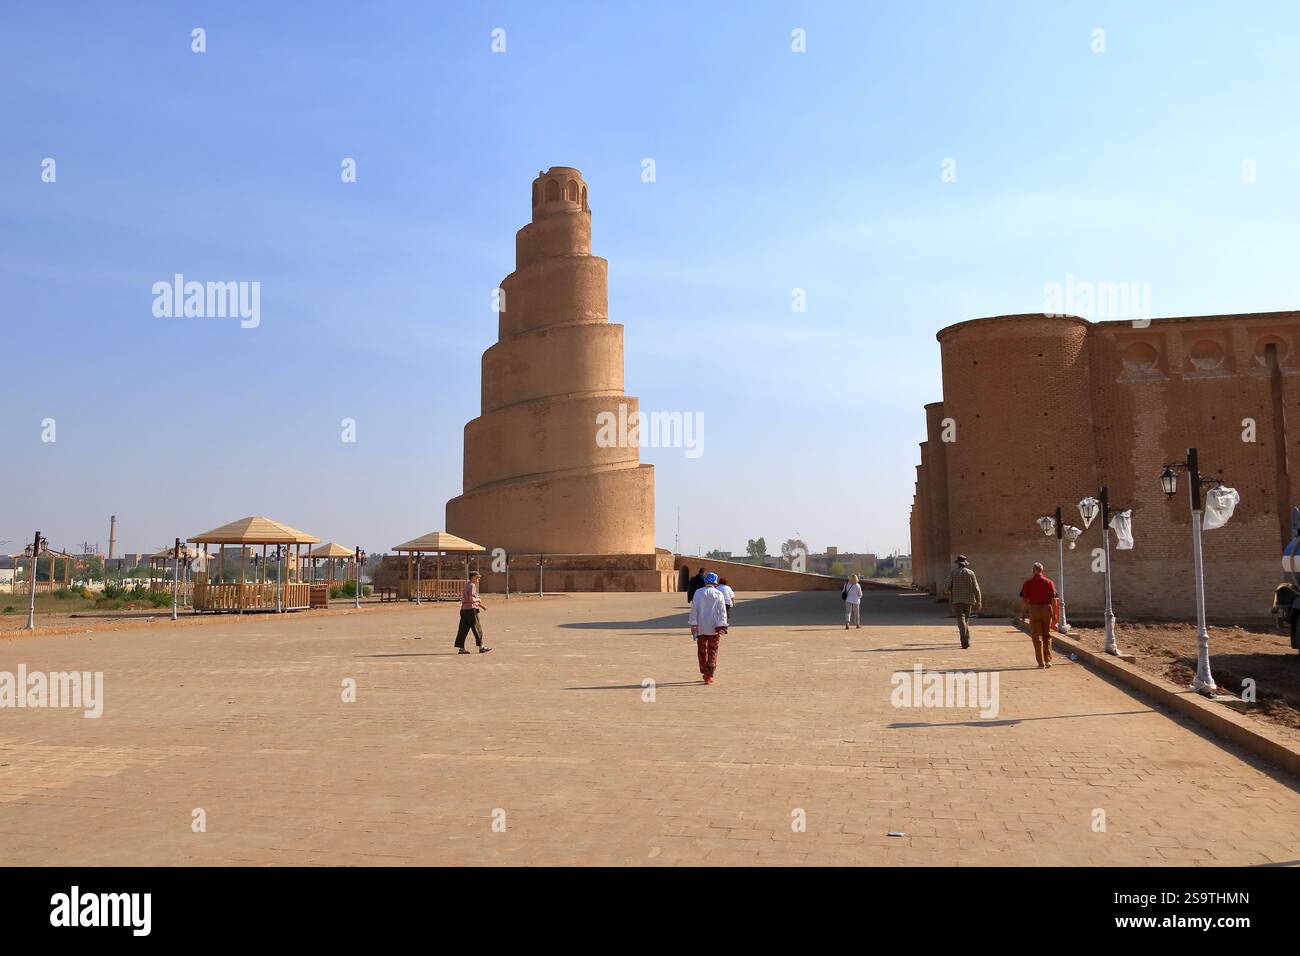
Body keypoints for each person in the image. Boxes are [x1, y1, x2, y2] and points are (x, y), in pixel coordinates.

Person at [689, 571, 728, 684]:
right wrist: (722, 625)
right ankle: (709, 675)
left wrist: (693, 624)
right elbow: (722, 612)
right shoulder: (719, 594)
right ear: (715, 583)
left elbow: (694, 609)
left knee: (702, 650)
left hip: (701, 627)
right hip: (714, 627)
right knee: (713, 651)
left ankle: (703, 670)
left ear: (706, 581)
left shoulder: (698, 593)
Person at [1019, 562, 1059, 668]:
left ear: (1033, 571)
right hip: (1047, 609)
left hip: (1034, 609)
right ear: (1042, 570)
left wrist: (1022, 612)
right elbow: (1054, 599)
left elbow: (1024, 600)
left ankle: (1040, 662)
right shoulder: (1049, 582)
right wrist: (1055, 613)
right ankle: (1048, 660)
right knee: (1047, 635)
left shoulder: (1028, 583)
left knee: (1036, 636)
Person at [943, 555, 982, 649]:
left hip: (956, 600)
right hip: (968, 601)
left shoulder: (953, 573)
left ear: (957, 563)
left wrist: (947, 592)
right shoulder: (971, 573)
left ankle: (964, 640)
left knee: (961, 619)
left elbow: (946, 586)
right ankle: (967, 639)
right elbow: (976, 588)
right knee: (966, 619)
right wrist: (979, 601)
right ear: (965, 563)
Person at [454, 571, 492, 654]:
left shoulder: (467, 585)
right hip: (471, 611)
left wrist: (482, 606)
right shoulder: (472, 585)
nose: (479, 578)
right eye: (477, 577)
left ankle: (461, 648)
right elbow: (471, 600)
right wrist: (478, 599)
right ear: (473, 577)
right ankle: (481, 647)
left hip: (464, 610)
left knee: (462, 630)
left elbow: (468, 599)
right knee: (478, 629)